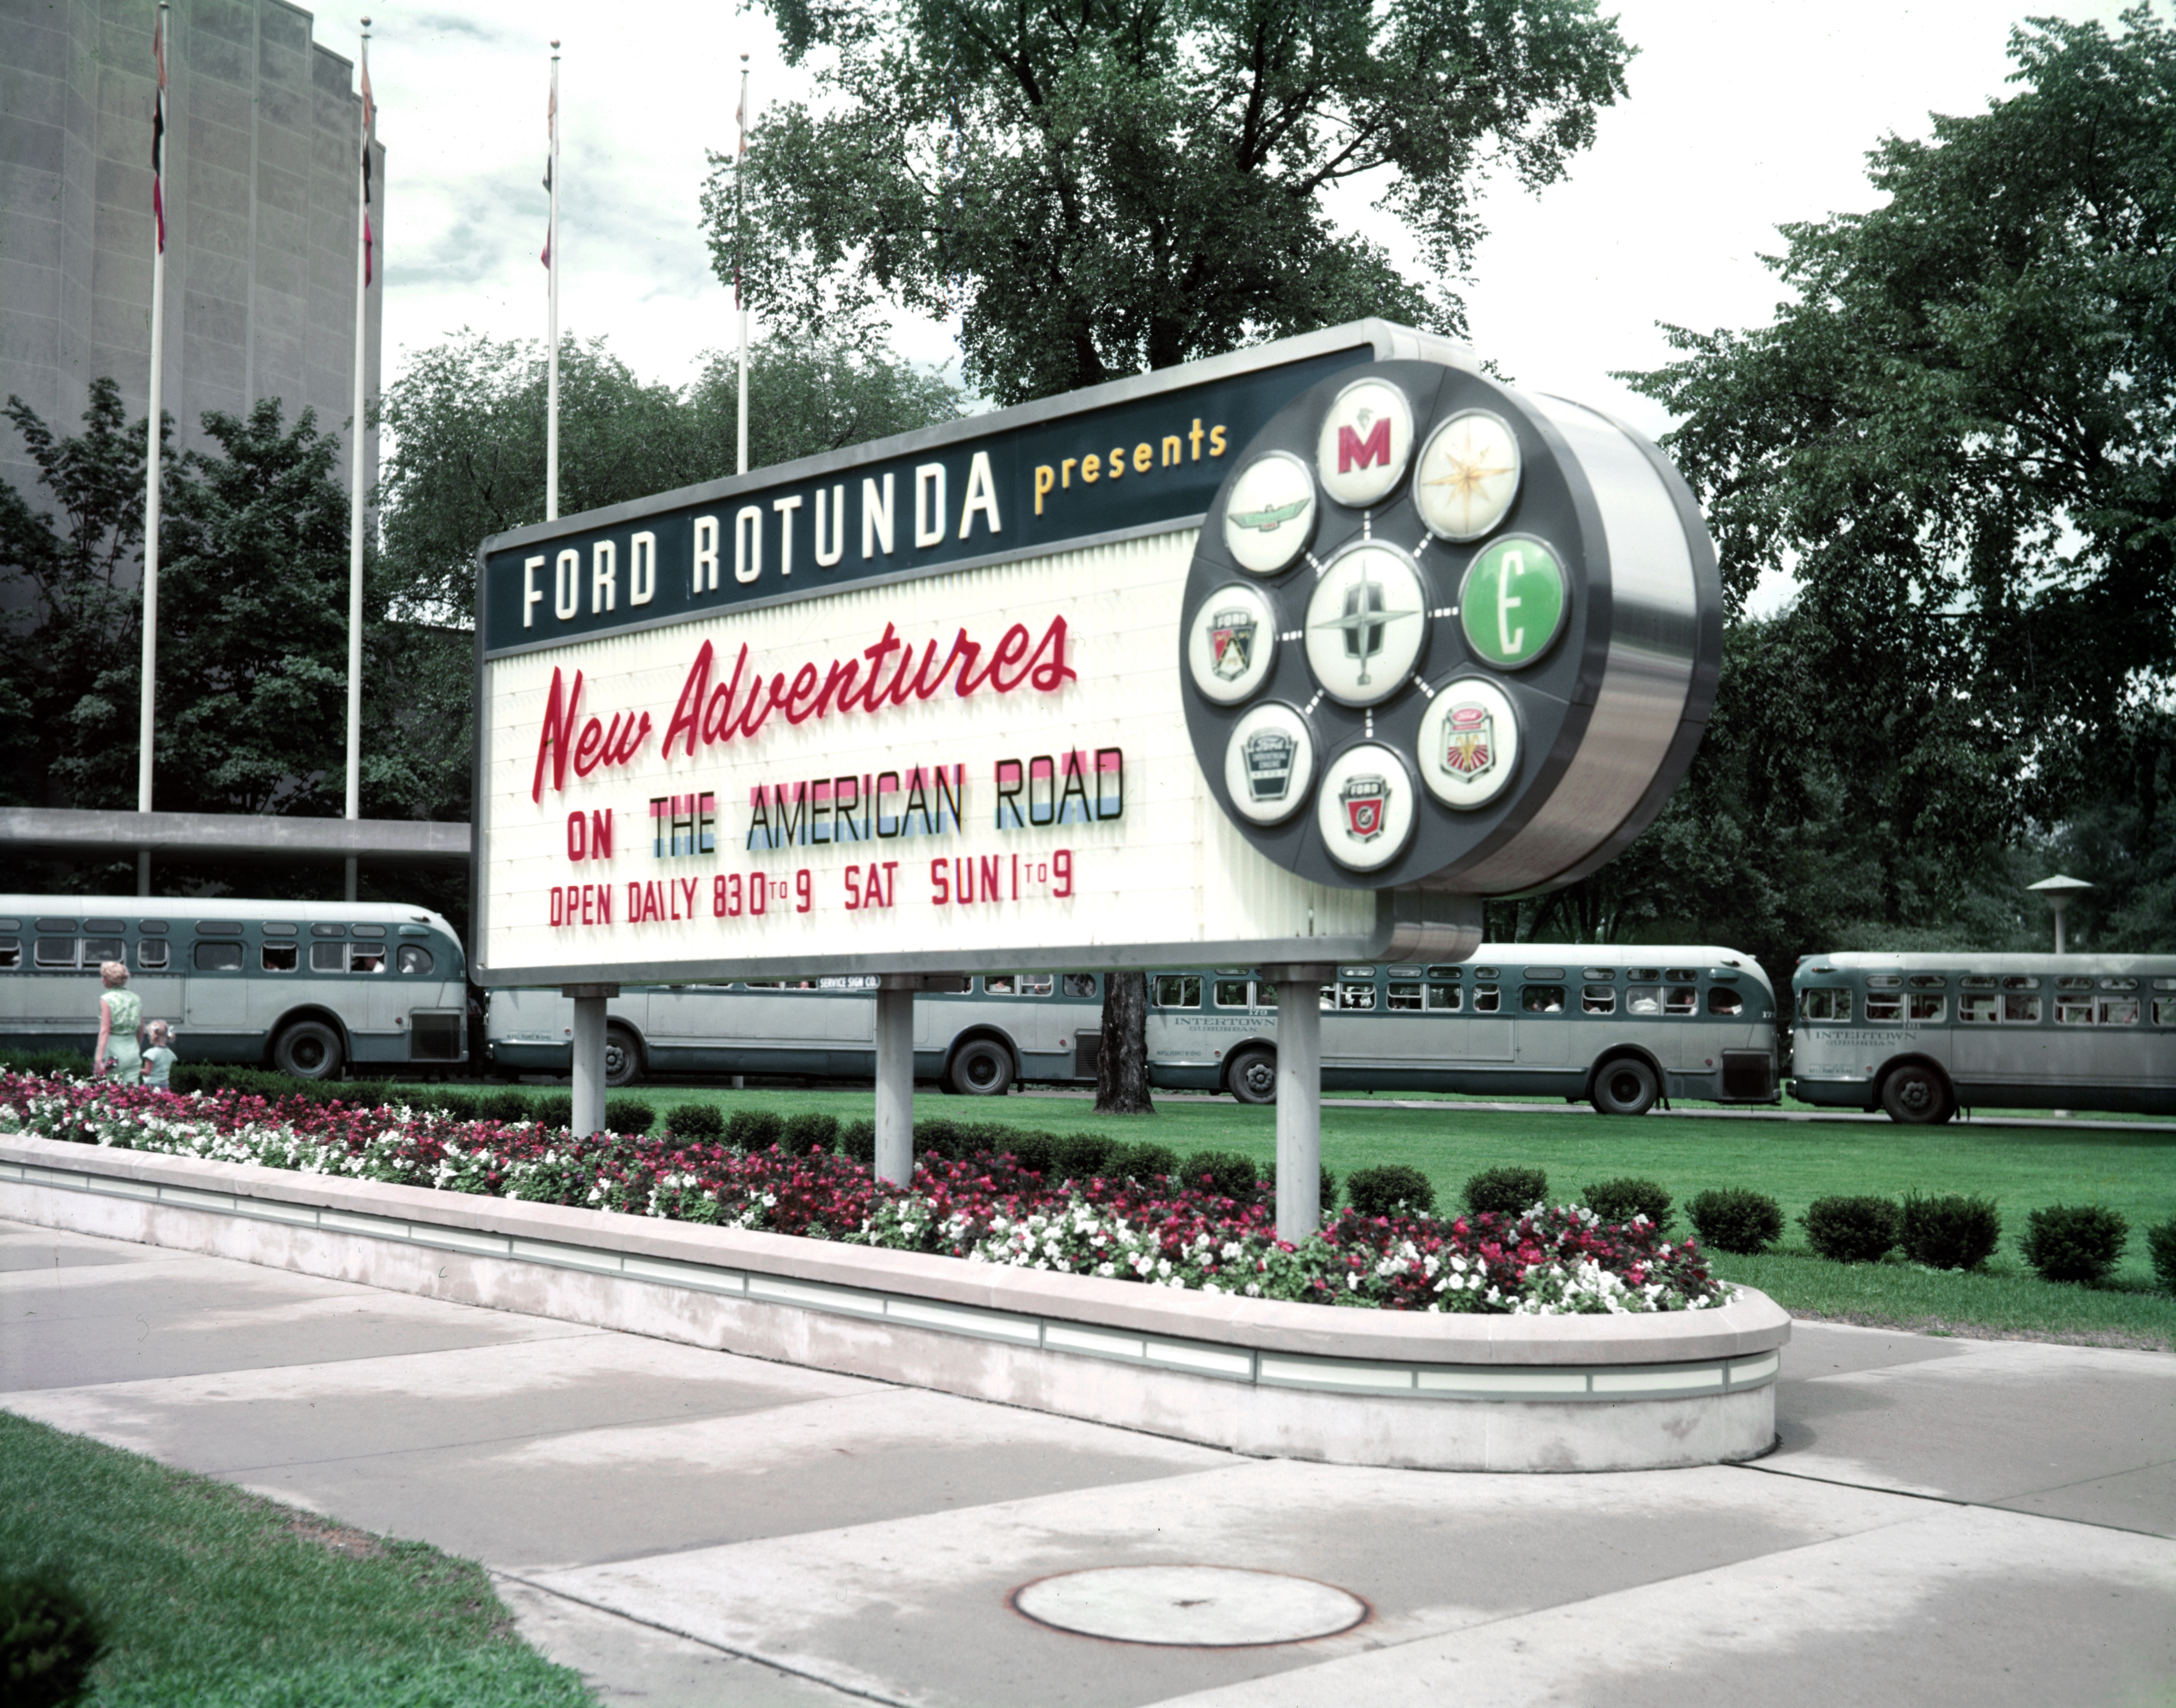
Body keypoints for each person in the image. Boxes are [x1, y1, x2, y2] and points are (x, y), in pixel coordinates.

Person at [94, 960, 143, 1084]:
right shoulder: (135, 999)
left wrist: (99, 1058)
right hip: (132, 1050)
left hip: (113, 1050)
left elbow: (105, 1031)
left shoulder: (106, 999)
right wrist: (134, 1047)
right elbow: (141, 1031)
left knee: (109, 1090)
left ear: (107, 980)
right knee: (132, 1093)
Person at [140, 1021, 178, 1090]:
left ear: (154, 1035)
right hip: (165, 1086)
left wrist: (133, 1069)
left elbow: (147, 1072)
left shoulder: (152, 1053)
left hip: (151, 1086)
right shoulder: (169, 1053)